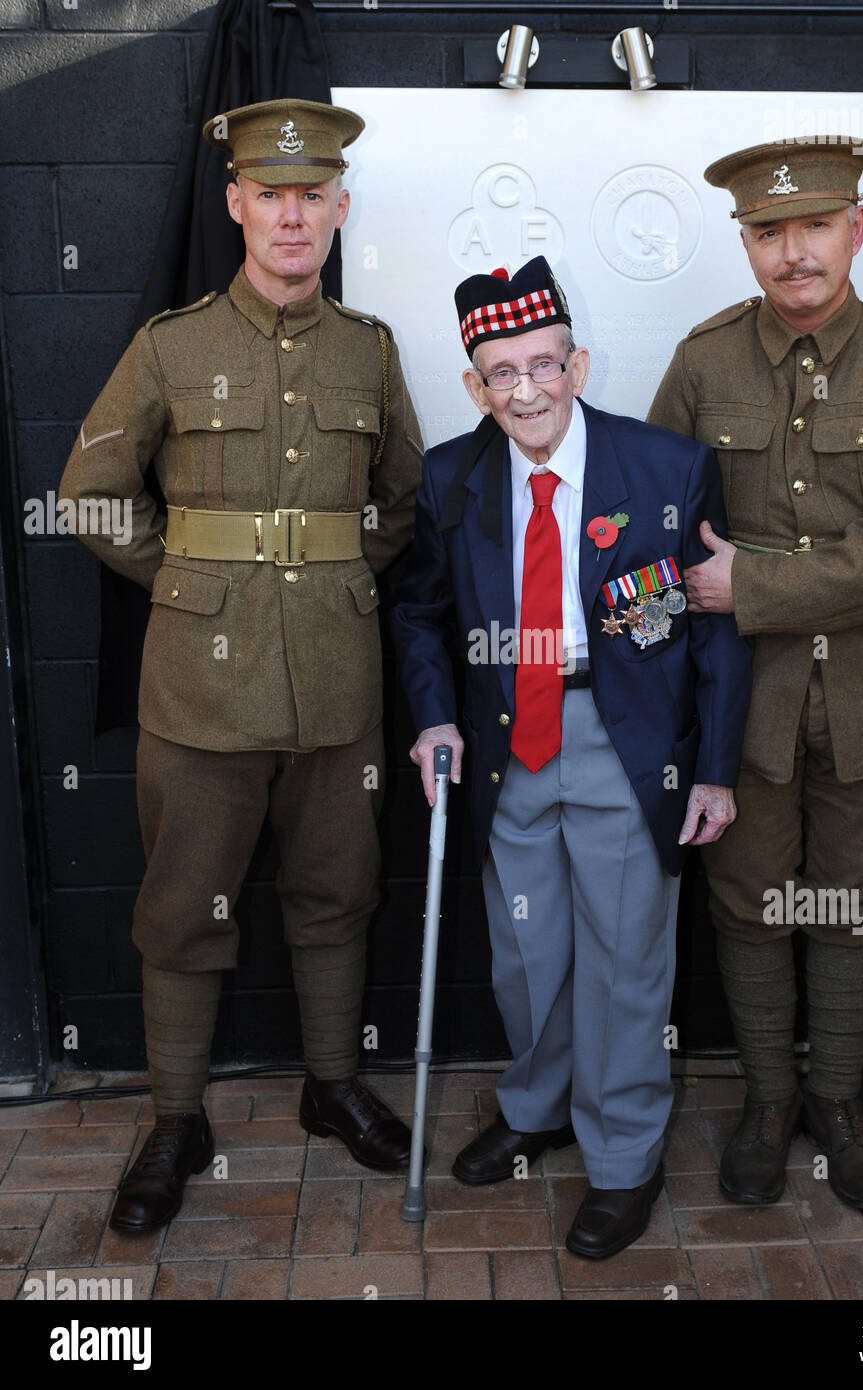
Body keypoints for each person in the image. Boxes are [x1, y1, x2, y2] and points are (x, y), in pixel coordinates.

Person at [59, 98, 424, 1233]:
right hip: (198, 689)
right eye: (271, 194)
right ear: (236, 205)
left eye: (313, 194)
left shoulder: (369, 348)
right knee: (179, 908)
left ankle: (333, 1084)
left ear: (339, 208)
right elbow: (90, 492)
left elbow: (403, 494)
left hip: (337, 683)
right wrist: (188, 578)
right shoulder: (173, 346)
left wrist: (334, 575)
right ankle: (176, 1119)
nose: (292, 215)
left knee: (337, 893)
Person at [392, 257, 751, 1259]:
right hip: (508, 743)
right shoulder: (450, 477)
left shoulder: (664, 467)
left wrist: (714, 768)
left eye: (543, 364)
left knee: (626, 964)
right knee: (526, 955)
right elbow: (420, 611)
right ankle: (540, 1105)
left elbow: (711, 622)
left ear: (578, 363)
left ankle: (625, 1153)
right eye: (501, 372)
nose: (527, 390)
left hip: (621, 743)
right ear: (475, 386)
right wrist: (432, 719)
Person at [647, 136, 863, 1210]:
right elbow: (656, 532)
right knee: (750, 905)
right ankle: (767, 1102)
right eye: (769, 233)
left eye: (814, 226)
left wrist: (754, 583)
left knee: (853, 909)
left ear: (856, 229)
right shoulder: (702, 362)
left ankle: (838, 1100)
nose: (794, 254)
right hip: (745, 704)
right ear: (746, 244)